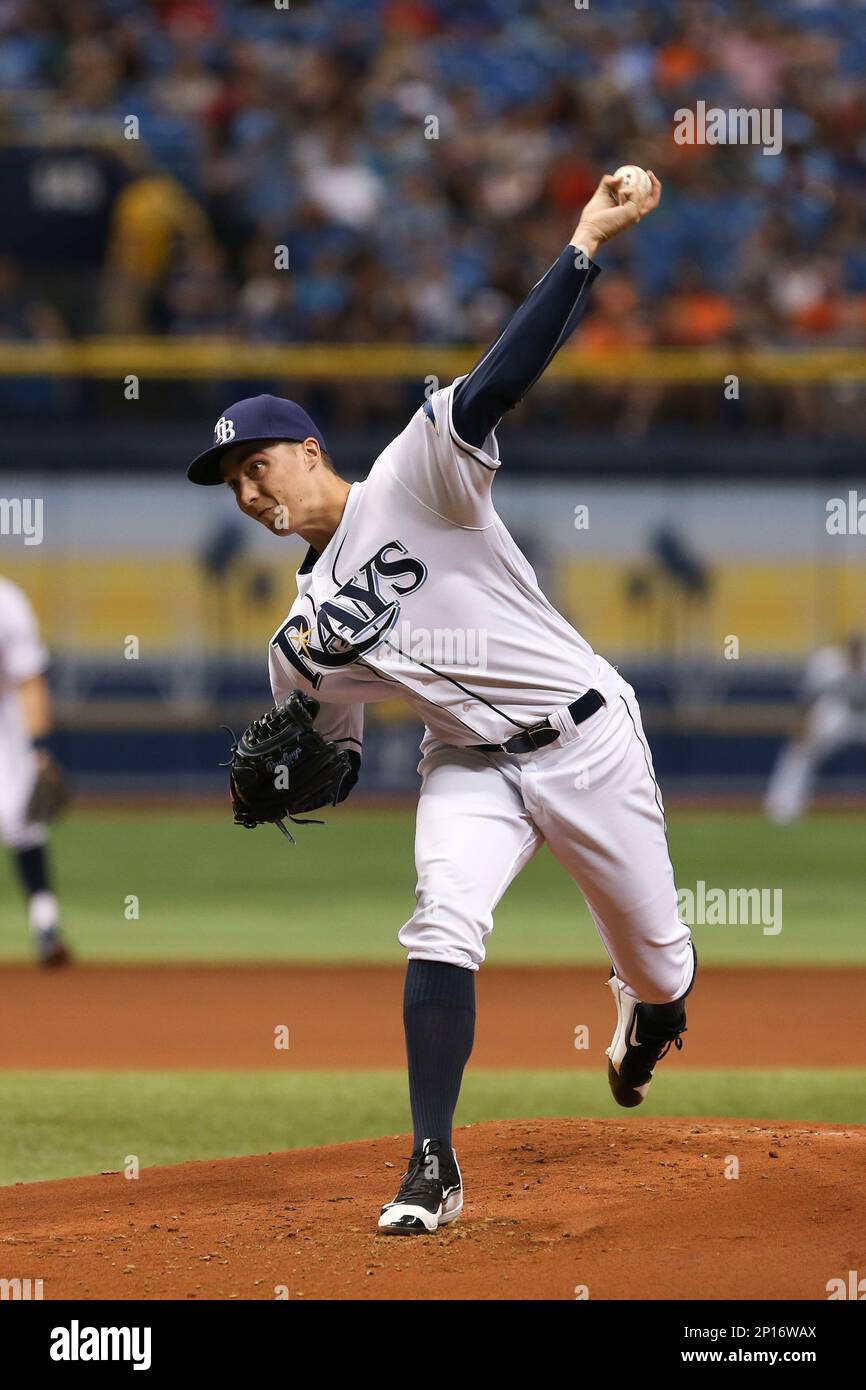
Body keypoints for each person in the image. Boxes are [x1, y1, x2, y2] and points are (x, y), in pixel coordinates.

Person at [186, 169, 697, 1234]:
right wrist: (297, 775)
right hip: (469, 767)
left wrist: (583, 244)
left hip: (586, 736)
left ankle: (646, 1018)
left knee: (659, 967)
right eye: (233, 480)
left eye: (259, 462)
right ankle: (431, 1165)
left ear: (309, 451)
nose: (250, 488)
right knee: (441, 923)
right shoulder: (294, 642)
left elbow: (497, 378)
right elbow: (337, 753)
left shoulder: (413, 478)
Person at [0, 576, 71, 966]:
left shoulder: (7, 603)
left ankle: (46, 926)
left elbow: (30, 682)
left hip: (5, 727)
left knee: (20, 820)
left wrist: (40, 749)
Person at [765, 634, 866, 823]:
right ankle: (783, 806)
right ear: (846, 650)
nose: (857, 656)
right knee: (801, 749)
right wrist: (804, 723)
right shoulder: (826, 662)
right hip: (839, 710)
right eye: (853, 651)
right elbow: (810, 696)